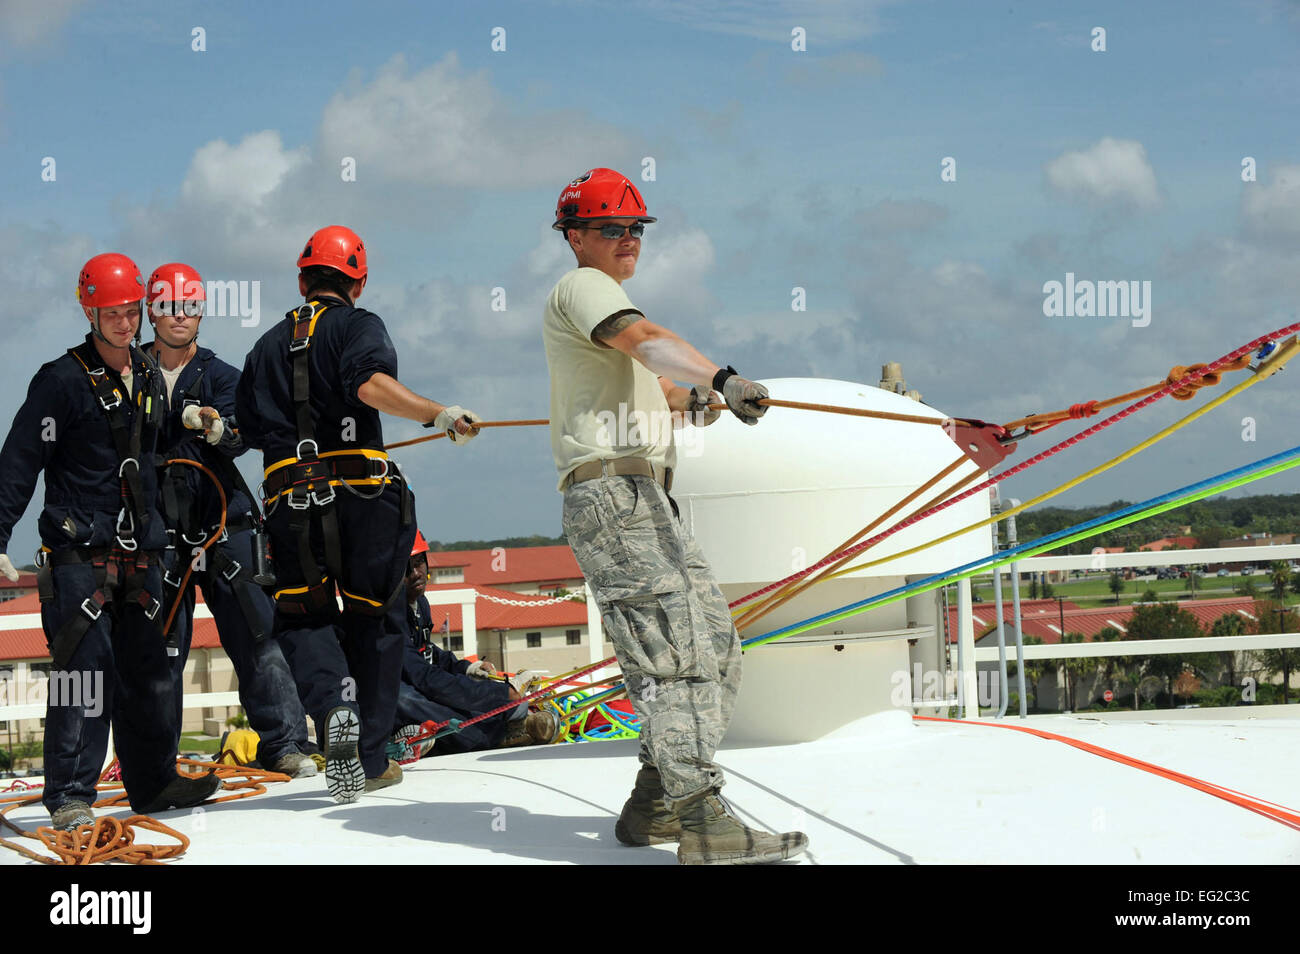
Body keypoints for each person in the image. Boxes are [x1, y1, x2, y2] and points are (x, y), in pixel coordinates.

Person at [542, 168, 807, 864]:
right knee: (676, 653)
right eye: (610, 228)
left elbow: (642, 371)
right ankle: (701, 818)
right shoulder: (586, 289)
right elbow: (647, 339)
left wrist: (682, 400)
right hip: (614, 494)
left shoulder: (603, 309)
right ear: (575, 237)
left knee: (714, 646)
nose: (627, 239)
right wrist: (721, 379)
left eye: (635, 228)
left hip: (641, 497)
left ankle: (655, 801)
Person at [235, 226, 482, 803]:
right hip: (362, 496)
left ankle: (334, 712)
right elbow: (368, 385)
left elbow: (245, 430)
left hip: (288, 499)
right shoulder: (358, 325)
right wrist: (437, 414)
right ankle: (370, 758)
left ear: (302, 279)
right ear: (359, 282)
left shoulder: (266, 346)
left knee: (303, 615)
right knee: (379, 616)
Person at [0, 253, 219, 830]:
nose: (126, 324)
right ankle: (71, 797)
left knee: (150, 672)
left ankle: (153, 781)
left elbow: (165, 454)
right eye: (113, 314)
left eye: (131, 313)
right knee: (85, 673)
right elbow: (20, 460)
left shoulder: (147, 376)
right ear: (89, 311)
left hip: (143, 554)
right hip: (79, 557)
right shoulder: (61, 382)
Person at [143, 262, 315, 778]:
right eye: (170, 306)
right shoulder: (126, 376)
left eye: (190, 306)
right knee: (160, 650)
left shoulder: (221, 376)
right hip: (159, 536)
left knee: (260, 636)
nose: (181, 316)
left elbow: (247, 431)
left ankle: (286, 745)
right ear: (152, 310)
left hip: (225, 524)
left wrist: (220, 430)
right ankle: (155, 763)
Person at [389, 531, 560, 759]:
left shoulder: (419, 603)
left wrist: (468, 668)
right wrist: (498, 695)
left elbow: (428, 653)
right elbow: (424, 677)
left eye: (419, 563)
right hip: (388, 696)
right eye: (405, 568)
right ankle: (502, 734)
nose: (416, 573)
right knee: (409, 699)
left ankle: (493, 728)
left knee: (451, 696)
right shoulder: (388, 616)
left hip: (414, 681)